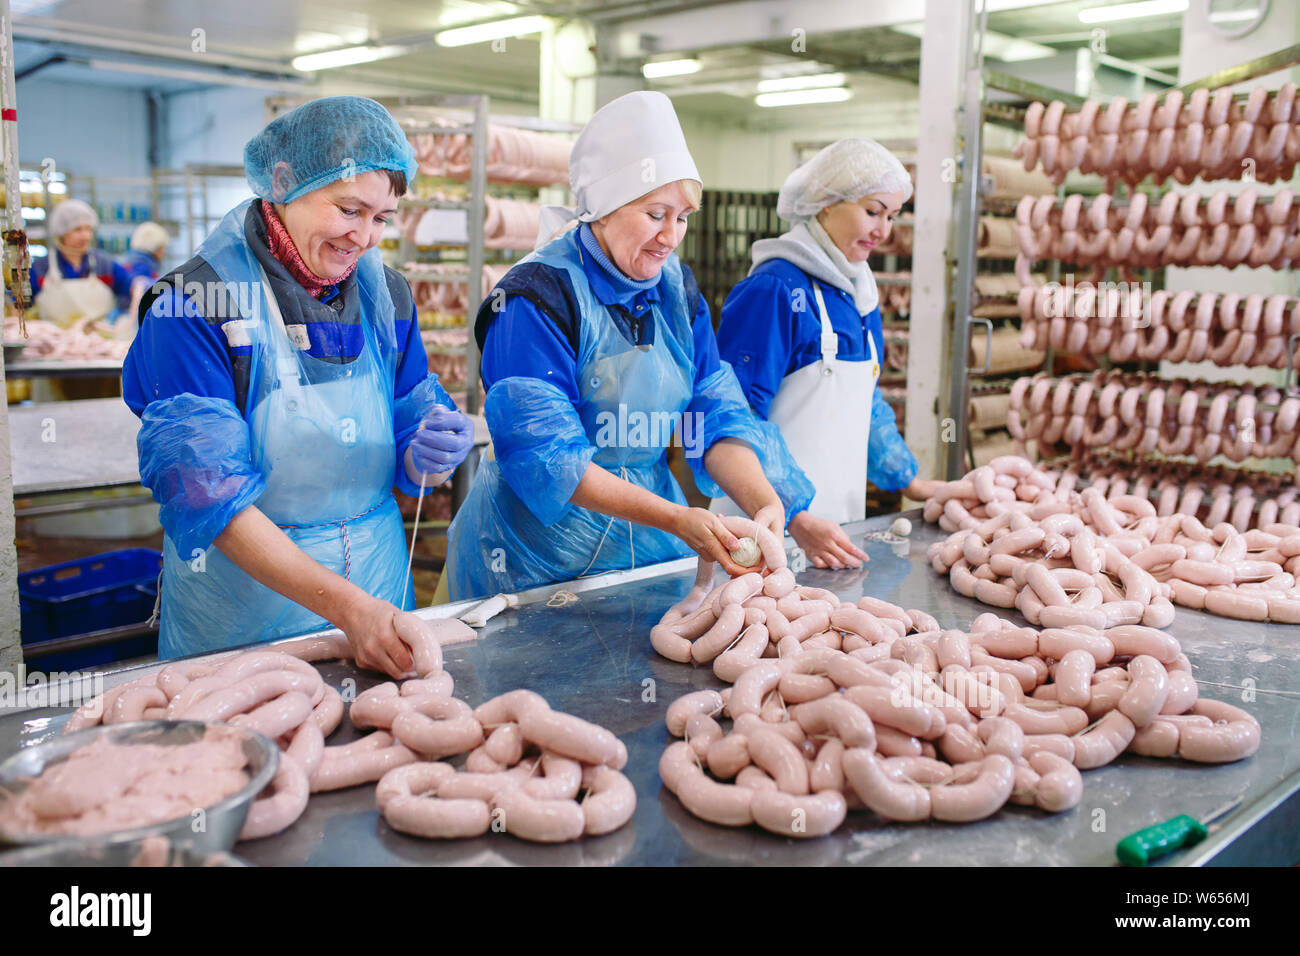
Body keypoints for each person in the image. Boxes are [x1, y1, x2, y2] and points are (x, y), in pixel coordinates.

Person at [123, 96, 475, 676]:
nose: (363, 237)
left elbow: (411, 442)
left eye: (381, 217)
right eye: (348, 210)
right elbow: (209, 499)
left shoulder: (388, 297)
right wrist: (350, 611)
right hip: (242, 622)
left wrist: (426, 454)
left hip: (380, 597)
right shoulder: (195, 305)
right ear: (282, 183)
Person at [444, 91, 812, 602]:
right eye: (656, 214)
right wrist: (678, 517)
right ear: (604, 207)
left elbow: (715, 416)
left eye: (683, 217)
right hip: (532, 561)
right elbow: (548, 459)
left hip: (645, 549)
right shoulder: (534, 299)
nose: (671, 236)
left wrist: (762, 499)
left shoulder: (676, 294)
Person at [713, 139, 941, 571]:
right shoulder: (774, 290)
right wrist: (795, 515)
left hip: (835, 533)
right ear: (825, 203)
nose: (884, 230)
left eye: (892, 216)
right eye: (873, 211)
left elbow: (866, 408)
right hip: (760, 533)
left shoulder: (858, 295)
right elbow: (731, 420)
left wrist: (914, 483)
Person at [30, 198, 133, 325]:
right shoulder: (41, 267)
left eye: (88, 229)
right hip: (53, 340)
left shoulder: (104, 264)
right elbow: (21, 304)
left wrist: (120, 311)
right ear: (62, 233)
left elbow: (129, 287)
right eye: (78, 230)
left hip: (99, 337)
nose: (86, 236)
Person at [119, 221, 170, 335]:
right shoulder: (142, 265)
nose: (164, 252)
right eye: (162, 248)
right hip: (132, 318)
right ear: (156, 249)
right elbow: (139, 289)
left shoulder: (131, 259)